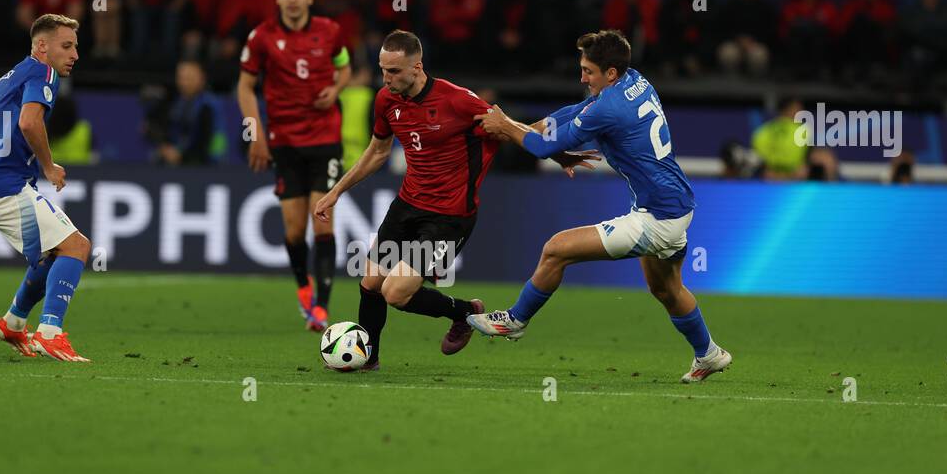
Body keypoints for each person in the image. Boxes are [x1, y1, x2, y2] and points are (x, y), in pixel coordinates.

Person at [312, 31, 592, 369]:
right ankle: (368, 358)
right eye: (383, 69)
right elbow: (377, 152)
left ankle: (462, 313)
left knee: (396, 293)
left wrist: (557, 154)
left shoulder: (457, 101)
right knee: (371, 283)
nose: (386, 78)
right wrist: (336, 192)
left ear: (417, 67)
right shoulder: (387, 100)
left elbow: (506, 126)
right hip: (406, 206)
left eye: (394, 71)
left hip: (449, 216)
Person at [468, 29, 732, 384]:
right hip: (679, 205)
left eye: (588, 71)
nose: (582, 76)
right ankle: (709, 354)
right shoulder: (634, 80)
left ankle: (515, 321)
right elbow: (572, 113)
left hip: (658, 217)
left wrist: (505, 126)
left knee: (556, 249)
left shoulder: (609, 108)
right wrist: (519, 128)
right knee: (666, 290)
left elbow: (545, 147)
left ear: (609, 73)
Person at [0, 14, 92, 363]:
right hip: (2, 186)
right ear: (42, 46)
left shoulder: (7, 79)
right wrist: (49, 166)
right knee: (76, 247)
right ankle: (50, 333)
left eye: (76, 46)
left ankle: (14, 322)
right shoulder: (41, 72)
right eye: (66, 46)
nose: (74, 54)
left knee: (50, 254)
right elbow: (28, 121)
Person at [237, 0, 350, 333]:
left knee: (322, 222)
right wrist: (256, 134)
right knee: (292, 229)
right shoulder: (262, 37)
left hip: (325, 138)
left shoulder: (329, 31)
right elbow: (245, 87)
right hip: (284, 142)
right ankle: (304, 286)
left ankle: (321, 307)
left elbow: (345, 67)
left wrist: (335, 91)